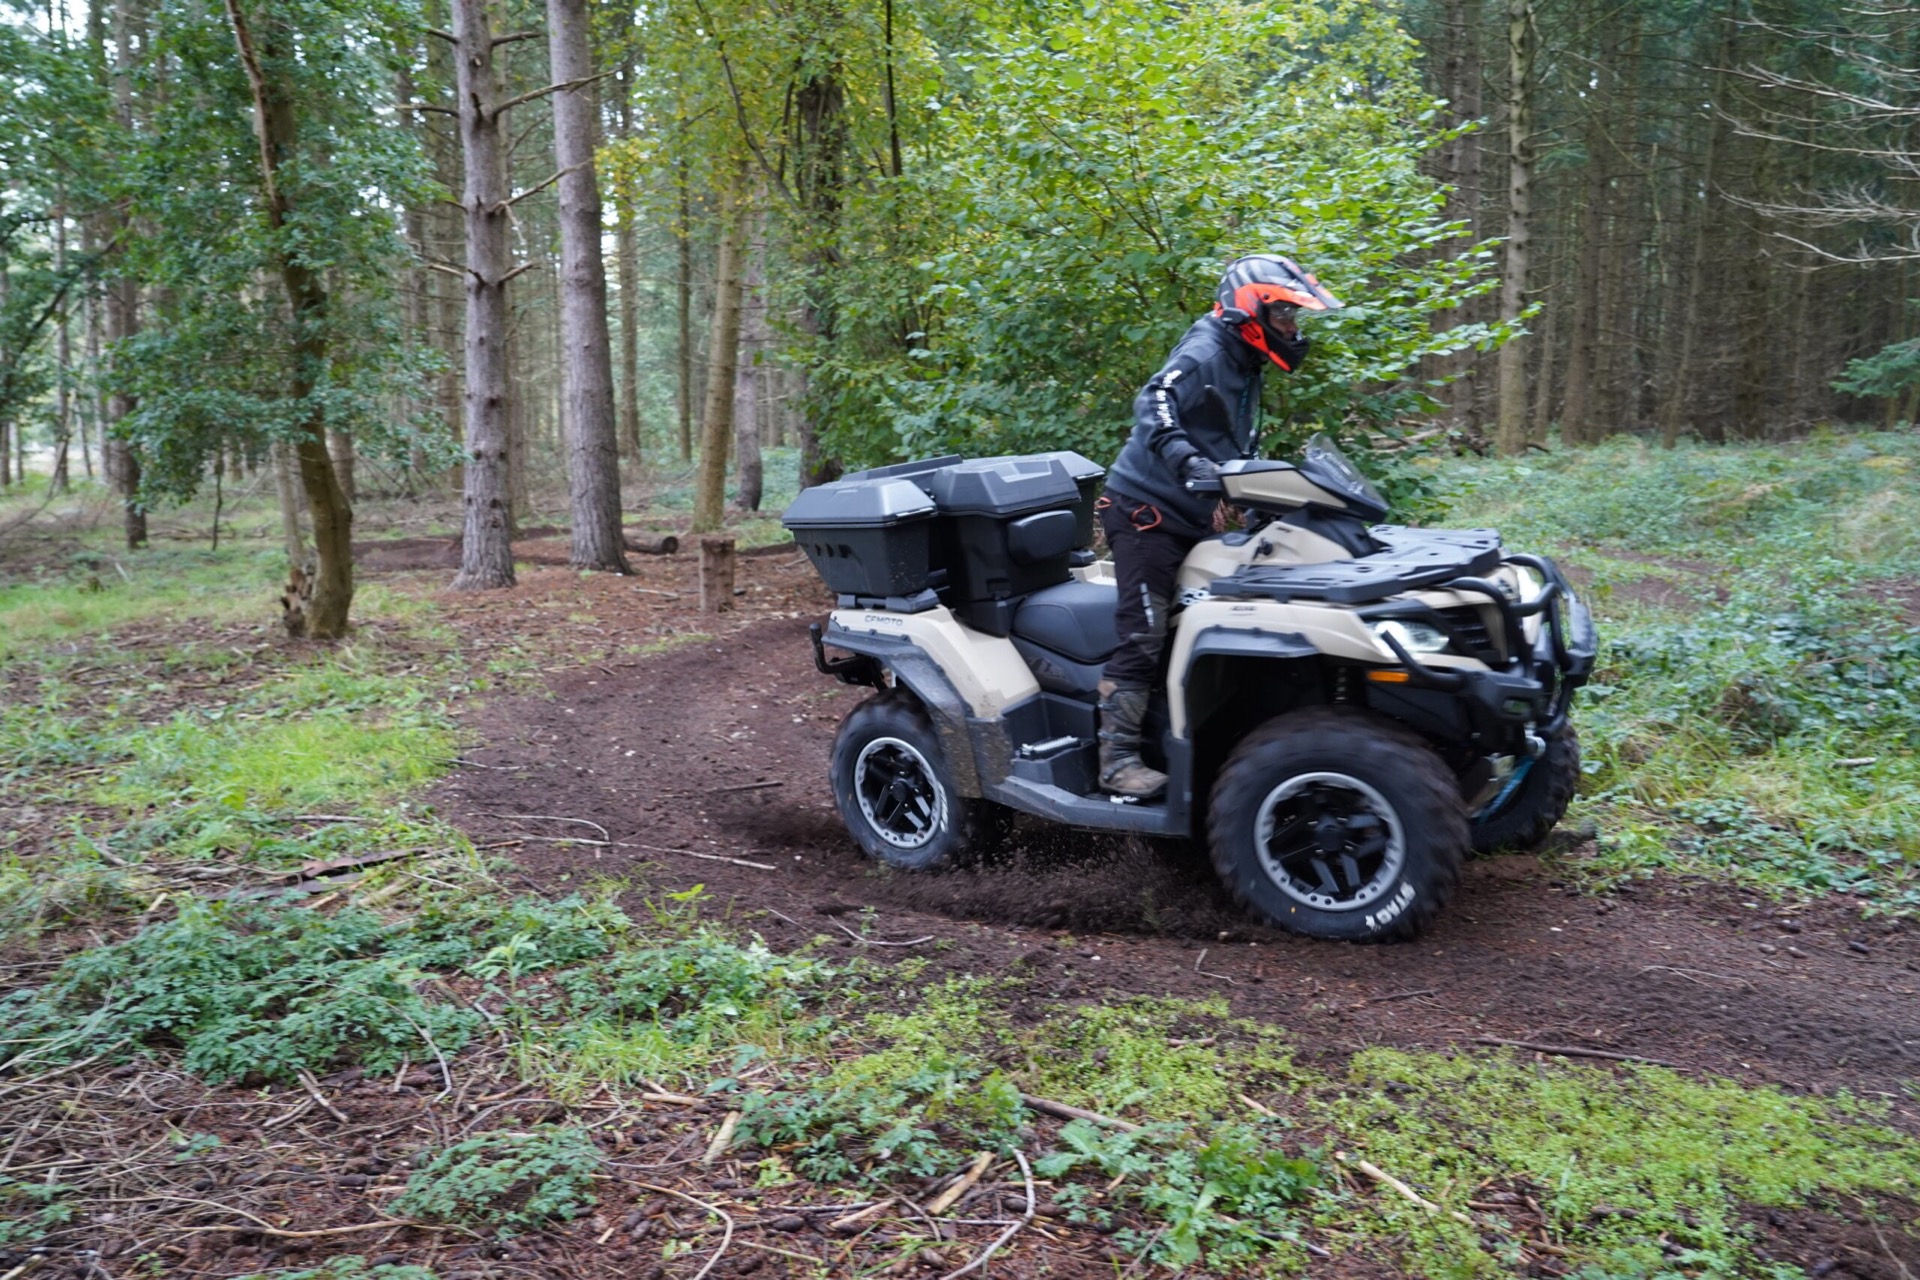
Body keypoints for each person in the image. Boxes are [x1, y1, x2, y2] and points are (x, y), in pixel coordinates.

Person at [1095, 254, 1341, 798]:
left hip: (1188, 514)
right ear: (1254, 311)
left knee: (1212, 618)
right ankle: (1116, 760)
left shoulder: (1242, 359)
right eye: (1285, 318)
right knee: (1144, 633)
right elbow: (1154, 398)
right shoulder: (1207, 349)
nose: (1293, 331)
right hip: (1145, 515)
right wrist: (1185, 460)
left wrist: (1260, 497)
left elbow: (1229, 440)